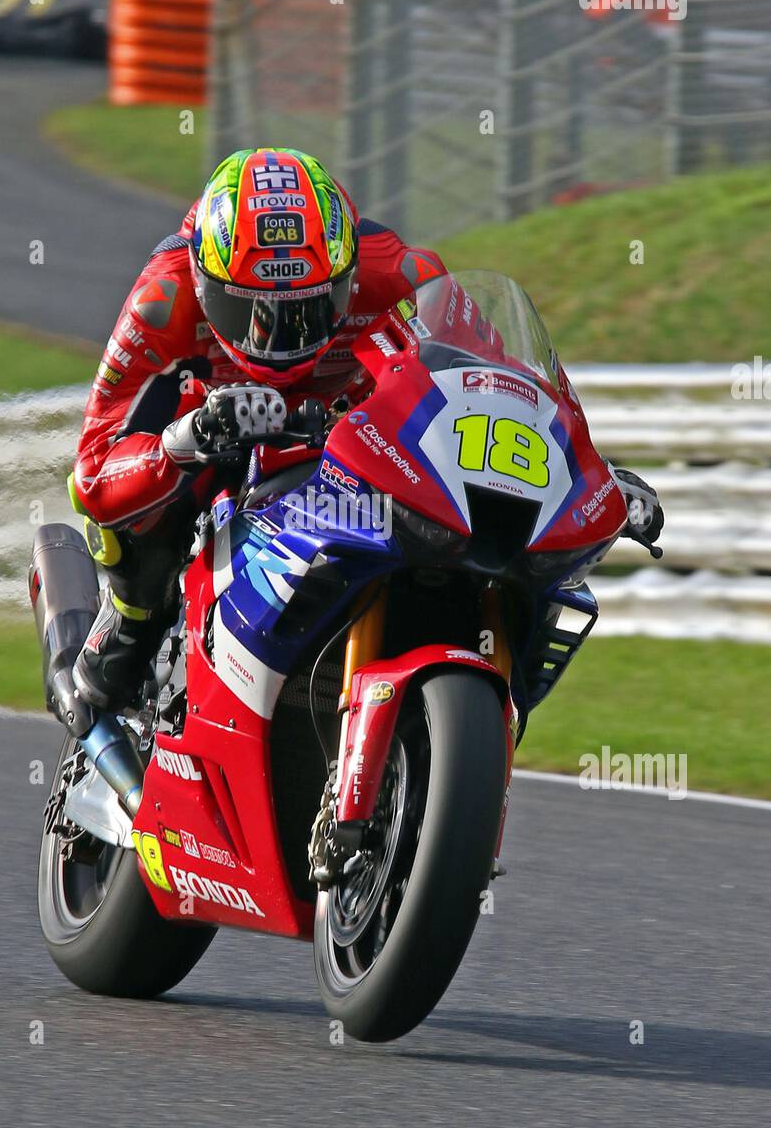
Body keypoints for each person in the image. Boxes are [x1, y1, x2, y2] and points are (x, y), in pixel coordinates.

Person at [69, 147, 662, 714]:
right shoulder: (163, 299)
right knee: (144, 529)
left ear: (348, 275)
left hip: (348, 434)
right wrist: (188, 437)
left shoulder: (404, 275)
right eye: (250, 311)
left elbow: (496, 389)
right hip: (212, 423)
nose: (284, 338)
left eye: (310, 308)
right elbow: (93, 470)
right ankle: (128, 621)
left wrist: (585, 474)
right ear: (205, 285)